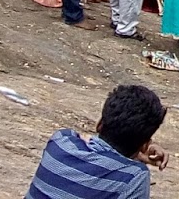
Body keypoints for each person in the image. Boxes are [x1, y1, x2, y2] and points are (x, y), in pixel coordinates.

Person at [25, 83, 168, 199]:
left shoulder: (60, 141)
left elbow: (87, 140)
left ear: (99, 124)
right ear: (144, 145)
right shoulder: (134, 178)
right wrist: (137, 155)